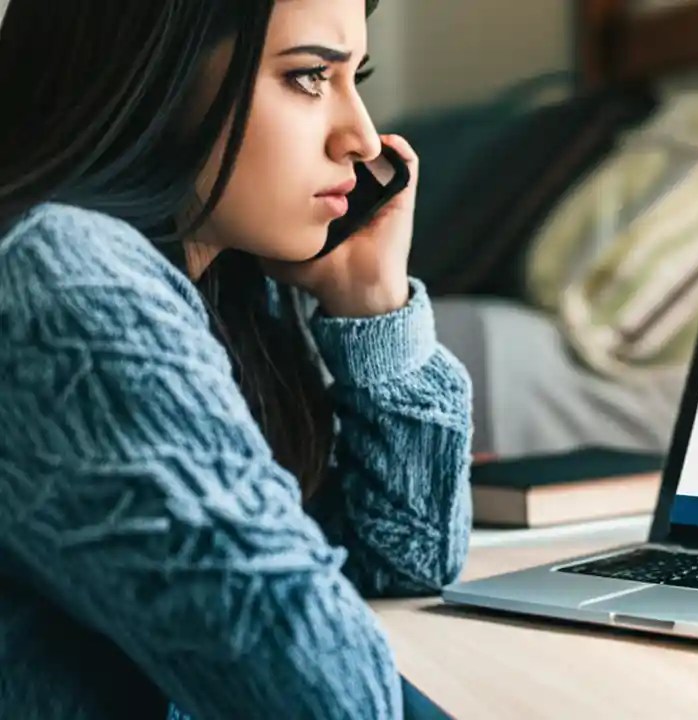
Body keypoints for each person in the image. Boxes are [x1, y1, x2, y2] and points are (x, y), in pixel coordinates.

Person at [0, 1, 470, 718]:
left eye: (356, 78)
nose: (362, 137)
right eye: (310, 76)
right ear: (157, 76)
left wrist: (374, 302)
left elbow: (408, 564)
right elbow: (324, 697)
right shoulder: (69, 284)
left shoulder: (236, 300)